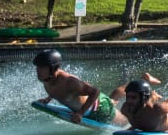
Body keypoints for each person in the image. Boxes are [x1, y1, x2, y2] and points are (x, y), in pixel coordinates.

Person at [33, 48, 161, 126]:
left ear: (53, 68)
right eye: (37, 67)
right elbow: (56, 90)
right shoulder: (46, 77)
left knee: (127, 121)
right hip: (98, 103)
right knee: (114, 95)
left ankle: (152, 97)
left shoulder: (70, 82)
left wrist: (80, 113)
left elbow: (95, 91)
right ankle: (143, 79)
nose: (38, 70)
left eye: (41, 67)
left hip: (99, 110)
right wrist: (48, 98)